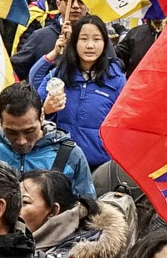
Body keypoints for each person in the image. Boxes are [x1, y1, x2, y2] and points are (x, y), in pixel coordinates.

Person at [0, 84, 95, 204]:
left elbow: (88, 209)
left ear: (42, 116)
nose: (21, 141)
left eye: (29, 131)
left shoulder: (69, 155)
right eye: (11, 132)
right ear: (0, 121)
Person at [38, 15, 129, 168]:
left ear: (105, 43)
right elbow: (34, 107)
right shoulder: (60, 74)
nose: (90, 46)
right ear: (74, 42)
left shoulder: (116, 79)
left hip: (100, 164)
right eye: (84, 39)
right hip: (60, 160)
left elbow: (123, 125)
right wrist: (45, 109)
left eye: (96, 39)